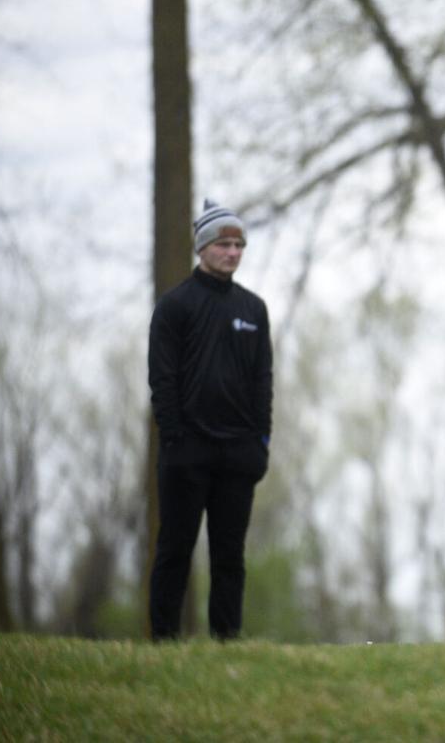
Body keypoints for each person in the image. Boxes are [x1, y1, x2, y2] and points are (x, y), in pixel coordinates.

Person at [147, 199, 272, 640]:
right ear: (203, 247)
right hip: (188, 451)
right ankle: (162, 641)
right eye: (225, 243)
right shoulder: (174, 306)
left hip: (238, 453)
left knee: (229, 556)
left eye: (240, 244)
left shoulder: (254, 310)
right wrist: (175, 439)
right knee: (175, 550)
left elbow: (262, 381)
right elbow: (162, 380)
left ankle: (227, 642)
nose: (233, 252)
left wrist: (260, 443)